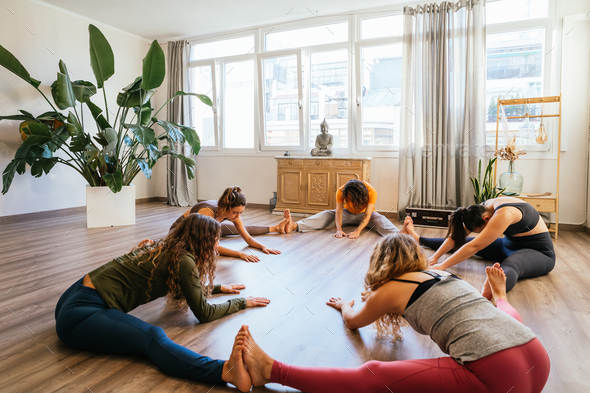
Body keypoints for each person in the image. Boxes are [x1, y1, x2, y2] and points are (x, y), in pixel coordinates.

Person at [232, 234, 550, 393]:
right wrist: (499, 296)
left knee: (376, 374)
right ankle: (497, 297)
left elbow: (354, 322)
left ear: (381, 262)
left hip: (499, 376)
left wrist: (345, 306)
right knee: (495, 318)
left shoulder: (392, 287)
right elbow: (511, 322)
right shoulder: (445, 275)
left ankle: (272, 371)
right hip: (536, 359)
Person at [54, 214, 269, 392]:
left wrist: (218, 288)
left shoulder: (168, 249)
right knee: (153, 338)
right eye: (215, 239)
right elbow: (204, 313)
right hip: (78, 316)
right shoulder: (185, 260)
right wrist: (241, 302)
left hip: (72, 297)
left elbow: (183, 286)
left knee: (148, 335)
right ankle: (225, 371)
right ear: (202, 240)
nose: (217, 245)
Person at [401, 196, 555, 291]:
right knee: (463, 242)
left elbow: (475, 246)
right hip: (507, 245)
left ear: (486, 220)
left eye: (479, 230)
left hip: (538, 253)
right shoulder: (484, 207)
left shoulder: (504, 212)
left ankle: (492, 293)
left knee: (510, 265)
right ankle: (419, 238)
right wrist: (435, 258)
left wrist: (443, 266)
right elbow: (458, 237)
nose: (480, 233)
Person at [170, 186, 285, 262]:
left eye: (240, 213)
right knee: (200, 249)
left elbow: (248, 239)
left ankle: (276, 228)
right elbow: (214, 247)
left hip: (207, 227)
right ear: (226, 208)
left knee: (243, 228)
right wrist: (240, 254)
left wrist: (263, 246)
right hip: (180, 232)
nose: (237, 216)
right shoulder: (207, 213)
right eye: (235, 212)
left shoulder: (230, 213)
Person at [284, 179, 398, 239]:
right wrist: (339, 229)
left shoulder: (371, 192)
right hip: (347, 214)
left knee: (380, 219)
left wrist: (357, 231)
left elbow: (368, 215)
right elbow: (338, 213)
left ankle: (400, 235)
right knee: (327, 214)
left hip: (366, 216)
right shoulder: (341, 191)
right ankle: (295, 225)